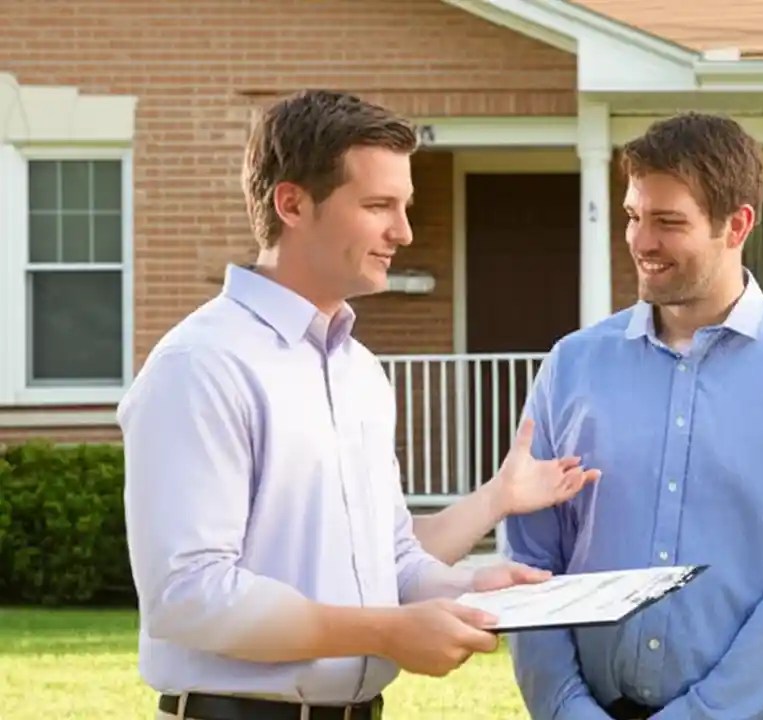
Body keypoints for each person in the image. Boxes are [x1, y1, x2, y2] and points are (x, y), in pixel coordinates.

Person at [118, 89, 600, 720]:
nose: (402, 232)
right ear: (292, 203)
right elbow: (188, 595)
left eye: (404, 206)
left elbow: (390, 560)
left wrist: (474, 588)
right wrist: (384, 632)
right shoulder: (201, 365)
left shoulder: (360, 372)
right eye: (378, 206)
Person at [504, 111, 763, 720]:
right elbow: (529, 557)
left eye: (668, 222)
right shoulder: (572, 367)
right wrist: (567, 708)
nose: (641, 241)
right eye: (633, 215)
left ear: (737, 225)